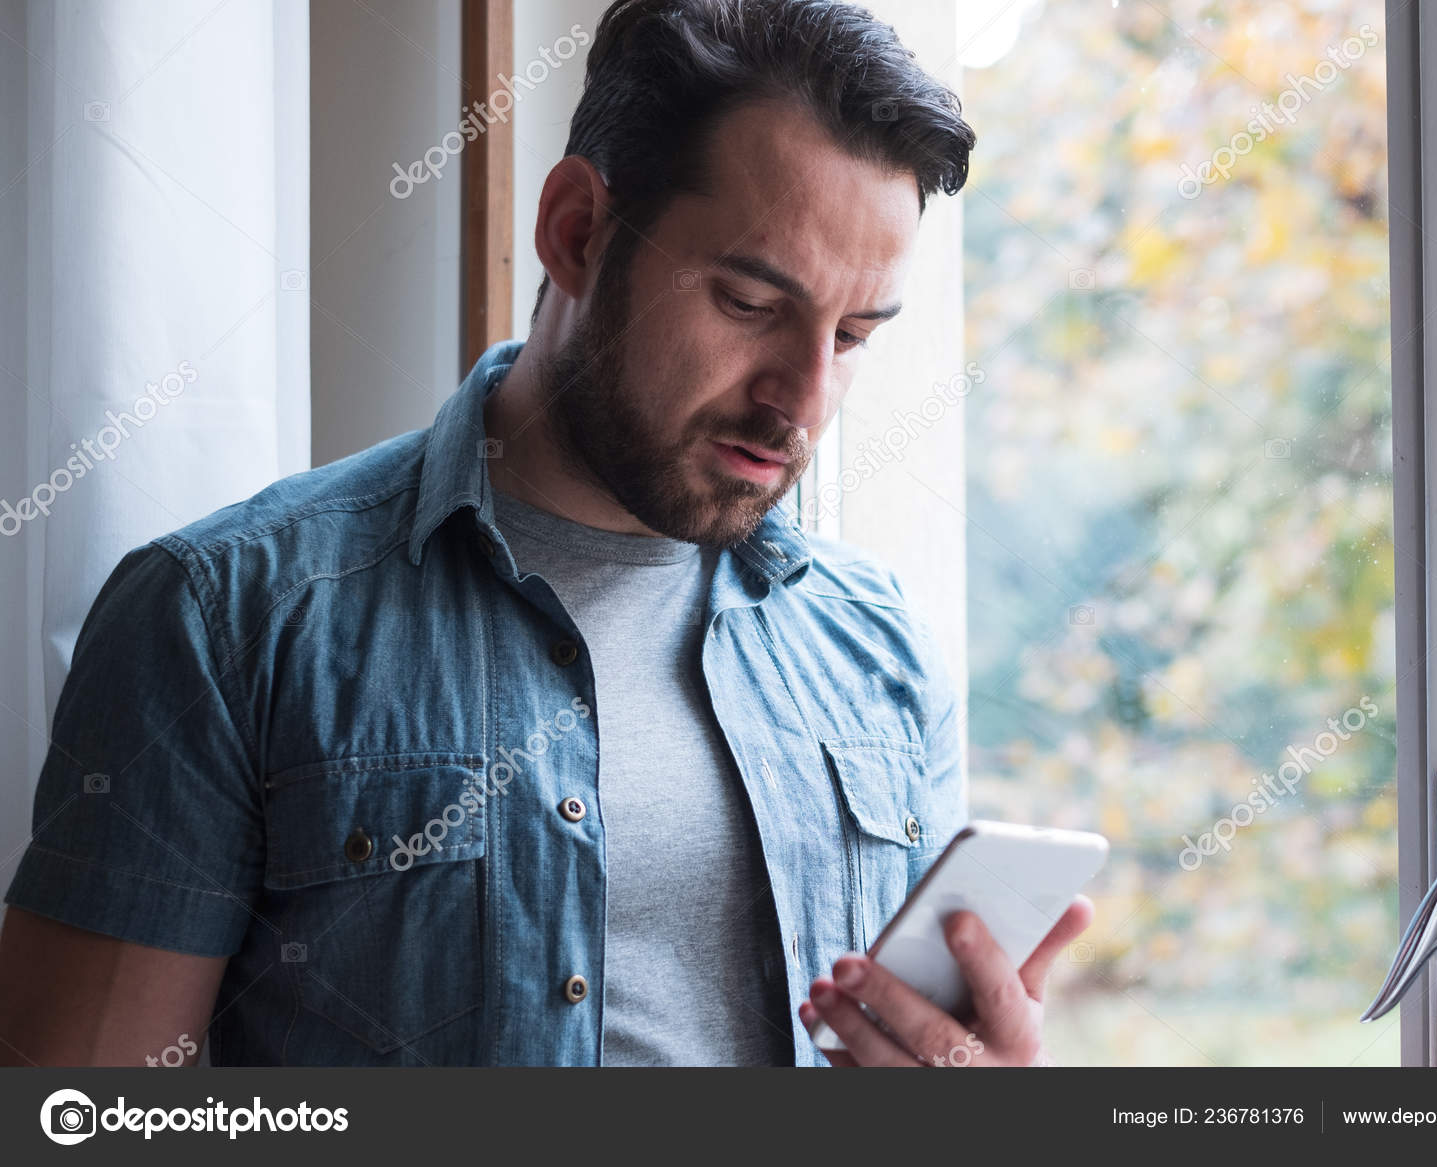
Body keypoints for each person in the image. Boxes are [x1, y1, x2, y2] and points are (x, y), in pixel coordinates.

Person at [0, 0, 1090, 1067]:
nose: (801, 399)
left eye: (851, 335)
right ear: (576, 231)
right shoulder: (227, 619)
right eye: (752, 305)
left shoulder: (876, 650)